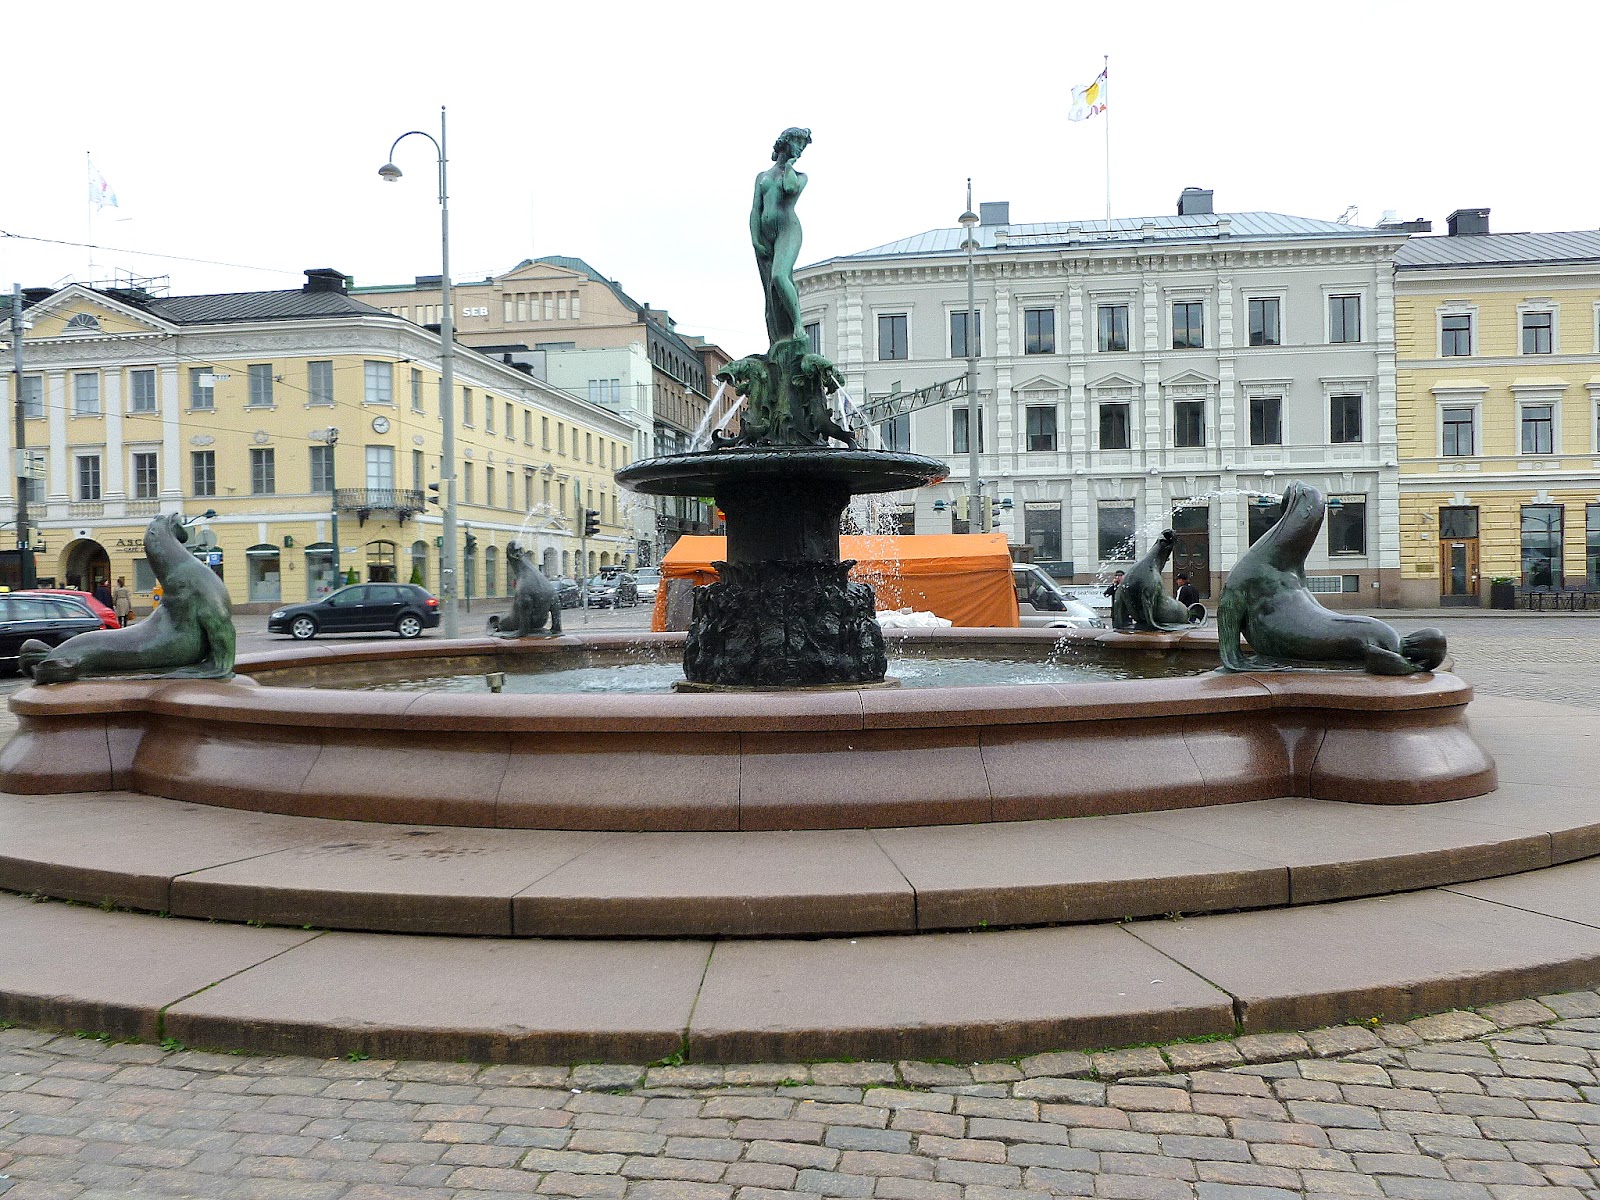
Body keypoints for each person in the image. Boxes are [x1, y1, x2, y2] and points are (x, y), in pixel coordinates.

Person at [750, 126, 813, 345]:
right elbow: (755, 209)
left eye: (803, 146)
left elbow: (790, 188)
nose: (801, 149)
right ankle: (778, 336)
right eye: (798, 143)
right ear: (786, 142)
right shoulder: (762, 176)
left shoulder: (800, 176)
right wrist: (755, 239)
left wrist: (788, 166)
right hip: (765, 237)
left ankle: (798, 325)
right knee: (771, 293)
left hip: (788, 229)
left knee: (779, 276)